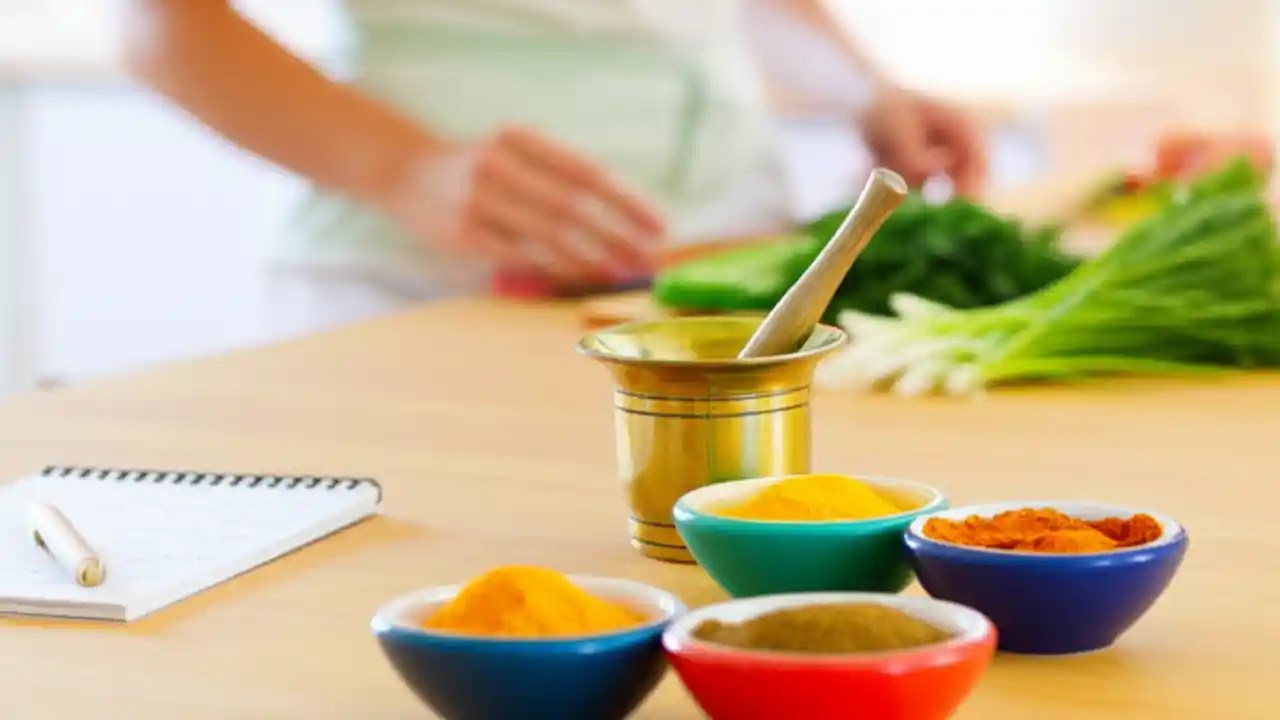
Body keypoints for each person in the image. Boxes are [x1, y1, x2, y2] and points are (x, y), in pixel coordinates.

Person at [124, 0, 987, 338]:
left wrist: (863, 89)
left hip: (723, 271)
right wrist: (404, 169)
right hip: (425, 296)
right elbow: (161, 24)